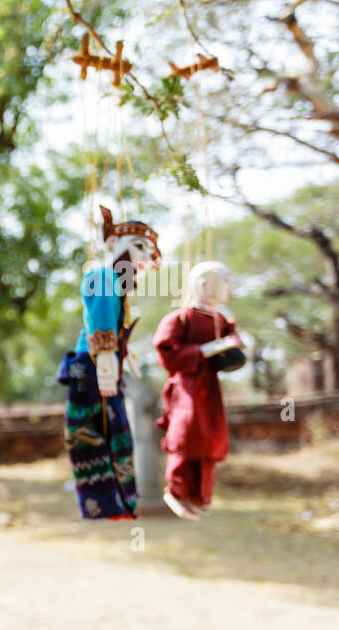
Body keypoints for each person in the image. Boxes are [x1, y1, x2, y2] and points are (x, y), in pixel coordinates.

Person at [58, 205, 161, 520]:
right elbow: (99, 322)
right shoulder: (102, 276)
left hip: (104, 366)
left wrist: (124, 354)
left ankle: (118, 501)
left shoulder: (116, 284)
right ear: (113, 244)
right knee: (95, 434)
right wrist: (106, 359)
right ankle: (104, 503)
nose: (144, 257)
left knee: (114, 433)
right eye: (139, 247)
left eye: (149, 251)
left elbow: (113, 324)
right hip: (92, 368)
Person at [154, 261, 245, 518]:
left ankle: (199, 496)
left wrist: (232, 346)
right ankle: (176, 490)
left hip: (210, 389)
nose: (228, 286)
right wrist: (209, 349)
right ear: (204, 284)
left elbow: (233, 348)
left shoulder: (221, 320)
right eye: (223, 280)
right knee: (186, 434)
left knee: (210, 439)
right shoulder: (179, 318)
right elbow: (169, 356)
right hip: (187, 388)